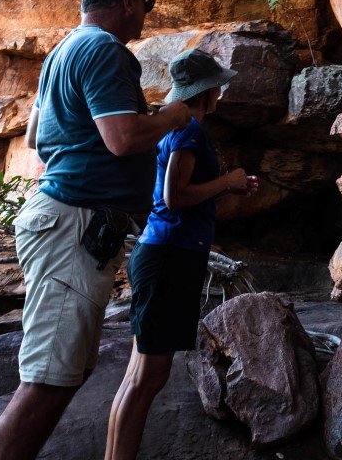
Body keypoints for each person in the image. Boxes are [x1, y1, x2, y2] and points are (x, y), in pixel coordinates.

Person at [0, 0, 192, 460]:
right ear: (127, 1)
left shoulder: (61, 53)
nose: (146, 12)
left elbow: (35, 136)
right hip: (73, 223)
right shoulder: (104, 50)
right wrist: (174, 113)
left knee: (63, 373)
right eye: (146, 1)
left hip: (63, 220)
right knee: (49, 381)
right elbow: (122, 140)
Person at [105, 48, 259, 460]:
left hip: (165, 253)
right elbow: (175, 197)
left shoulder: (180, 127)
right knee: (148, 377)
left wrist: (230, 184)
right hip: (170, 256)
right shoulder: (190, 130)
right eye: (218, 86)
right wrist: (227, 181)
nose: (221, 93)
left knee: (139, 376)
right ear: (208, 91)